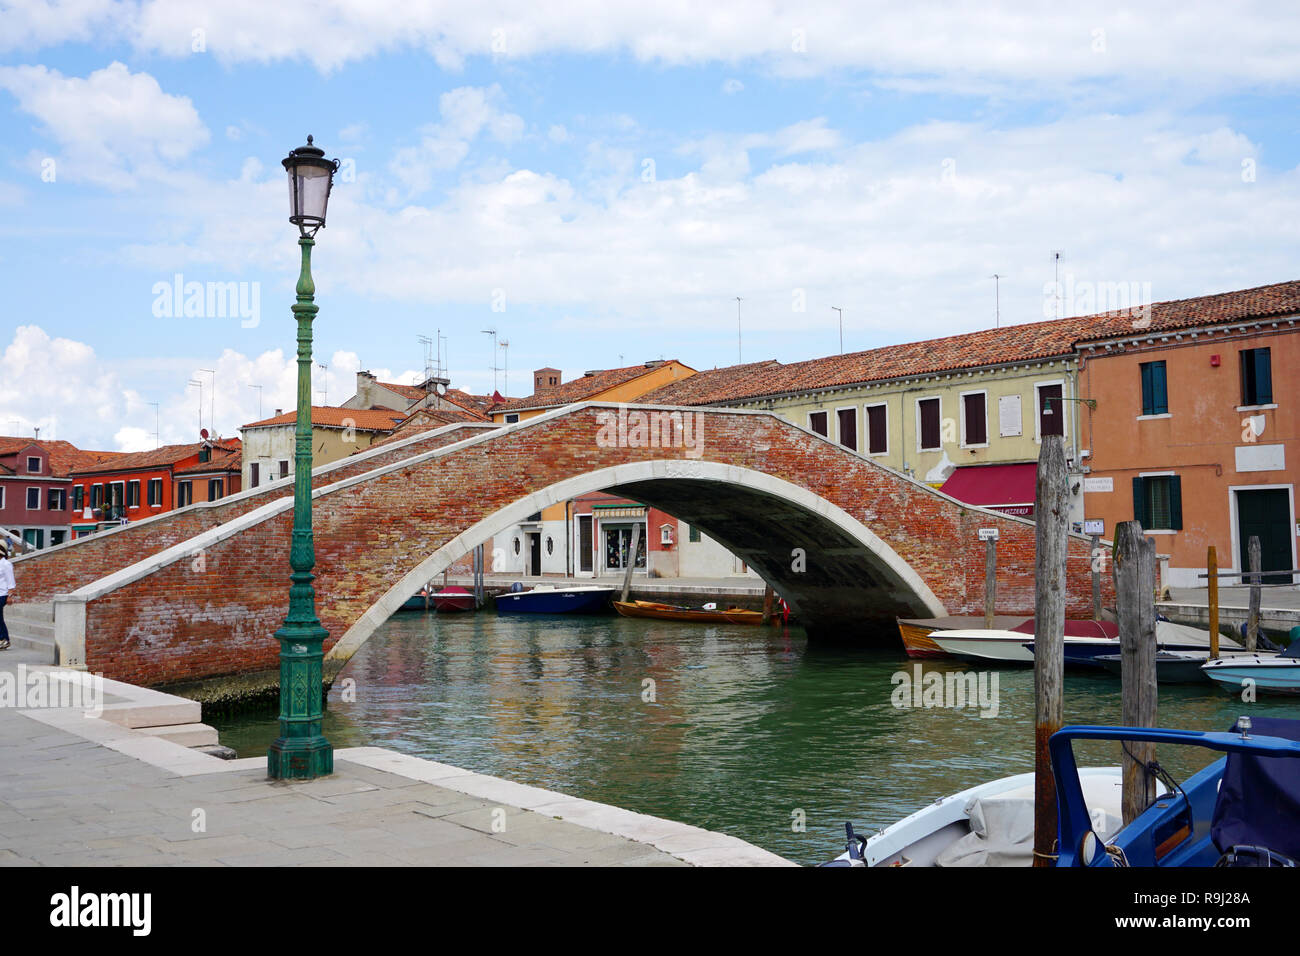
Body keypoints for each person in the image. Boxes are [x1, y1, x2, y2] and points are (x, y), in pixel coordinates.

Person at [0, 541, 13, 650]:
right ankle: (3, 639)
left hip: (3, 594)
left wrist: (10, 596)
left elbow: (11, 581)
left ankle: (4, 639)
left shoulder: (6, 564)